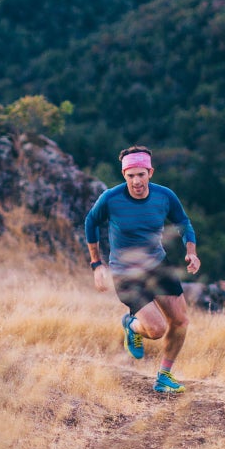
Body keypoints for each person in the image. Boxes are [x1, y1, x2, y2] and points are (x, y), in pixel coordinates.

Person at [84, 146, 200, 393]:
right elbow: (91, 222)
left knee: (180, 321)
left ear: (150, 172)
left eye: (141, 174)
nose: (136, 181)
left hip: (157, 265)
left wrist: (191, 251)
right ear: (124, 174)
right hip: (126, 273)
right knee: (156, 330)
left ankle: (164, 377)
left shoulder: (164, 196)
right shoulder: (111, 199)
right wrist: (96, 265)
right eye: (130, 175)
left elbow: (183, 223)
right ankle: (131, 324)